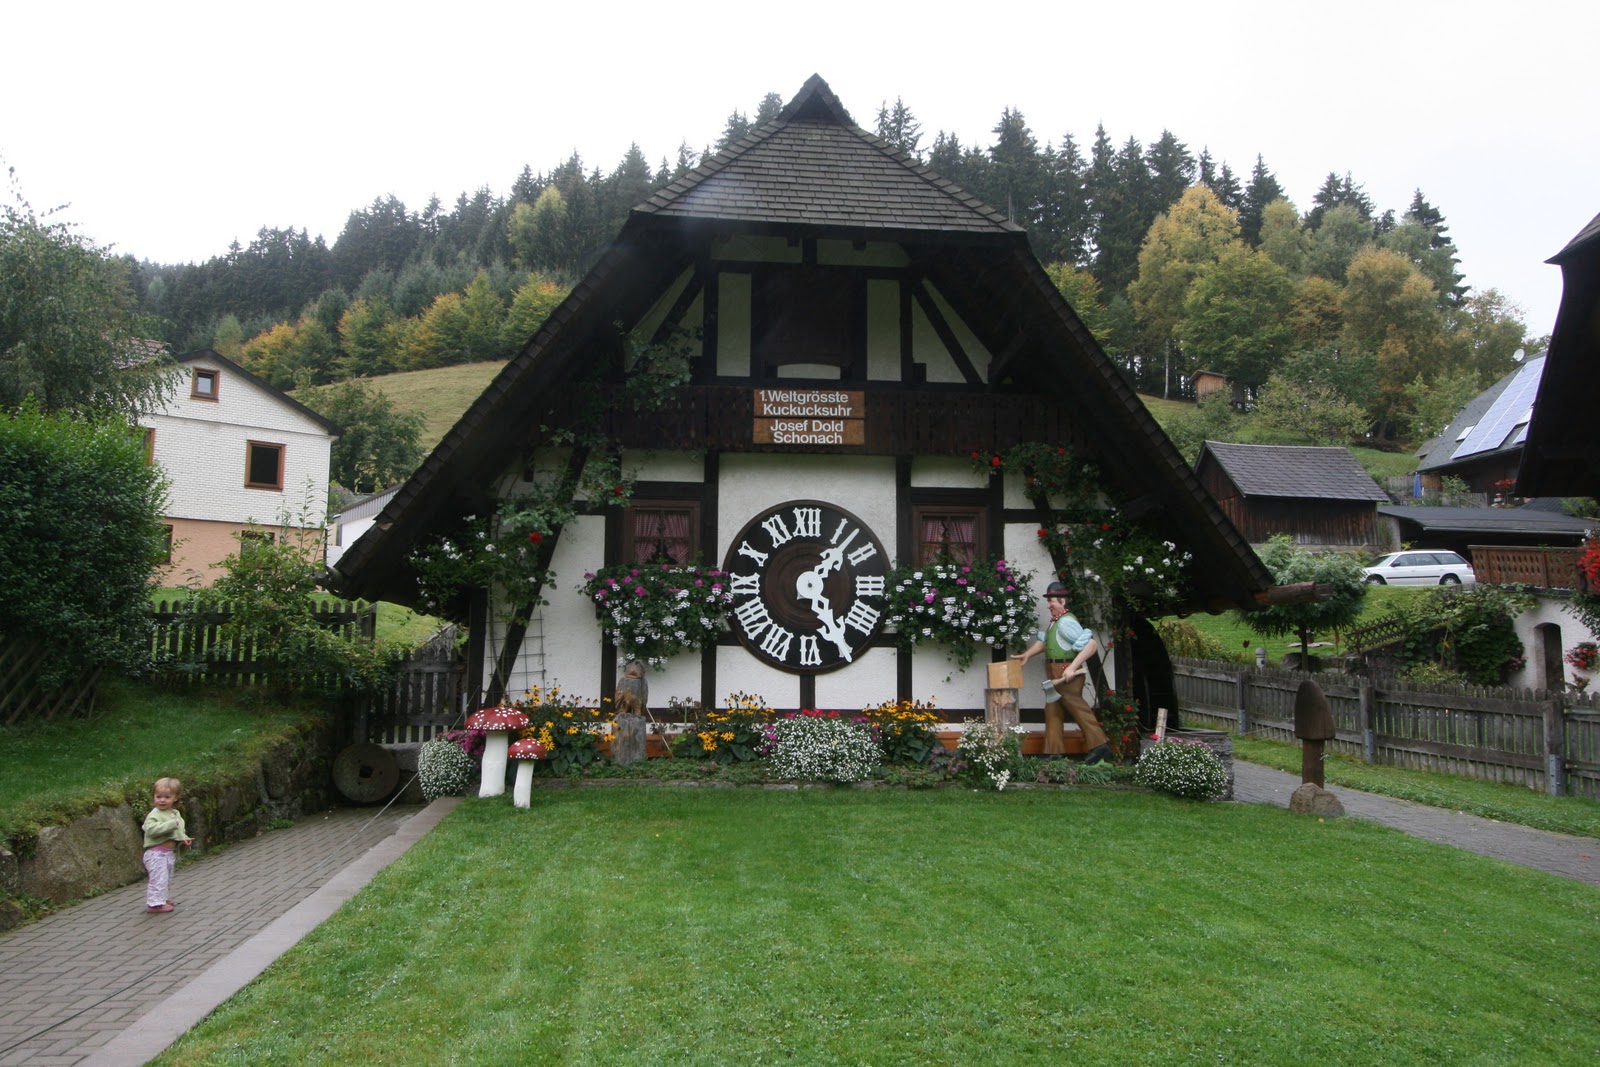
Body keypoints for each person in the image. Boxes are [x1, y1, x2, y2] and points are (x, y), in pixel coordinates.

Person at [1013, 582, 1112, 763]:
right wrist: (1027, 654)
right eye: (1049, 601)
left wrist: (1073, 668)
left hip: (1066, 672)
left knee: (1076, 706)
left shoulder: (1066, 622)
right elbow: (1045, 643)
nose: (1049, 605)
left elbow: (1091, 644)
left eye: (1051, 601)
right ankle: (1054, 752)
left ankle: (1100, 745)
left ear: (1062, 601)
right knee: (1053, 709)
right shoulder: (1056, 622)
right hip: (1054, 672)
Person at [141, 777, 193, 914]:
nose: (162, 800)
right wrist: (170, 825)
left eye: (167, 797)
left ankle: (162, 898)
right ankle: (154, 904)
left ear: (175, 798)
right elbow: (150, 829)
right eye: (158, 797)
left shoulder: (175, 813)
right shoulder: (155, 814)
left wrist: (184, 838)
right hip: (156, 854)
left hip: (168, 853)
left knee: (166, 878)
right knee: (158, 879)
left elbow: (178, 830)